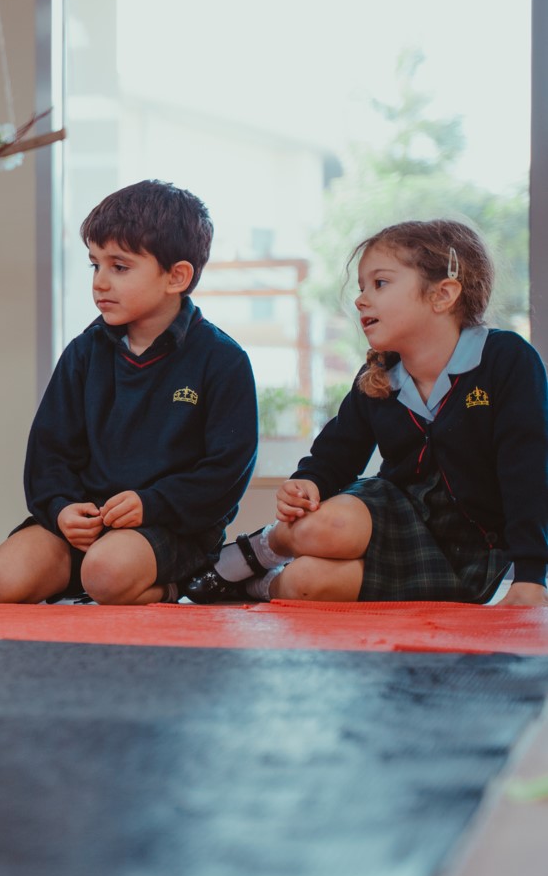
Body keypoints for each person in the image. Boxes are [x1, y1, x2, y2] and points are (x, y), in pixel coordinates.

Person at [182, 220, 548, 607]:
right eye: (361, 287)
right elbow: (336, 455)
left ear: (443, 295)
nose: (360, 299)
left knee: (305, 584)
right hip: (389, 514)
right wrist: (309, 482)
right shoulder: (379, 375)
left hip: (470, 551)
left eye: (380, 283)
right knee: (326, 526)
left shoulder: (505, 360)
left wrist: (531, 576)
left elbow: (527, 472)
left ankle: (252, 587)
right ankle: (260, 549)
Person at [0, 180, 257, 606]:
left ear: (176, 276)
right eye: (95, 265)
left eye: (119, 267)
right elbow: (50, 452)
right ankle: (101, 581)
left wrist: (153, 504)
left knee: (106, 572)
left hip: (171, 528)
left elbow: (225, 473)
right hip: (88, 526)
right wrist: (61, 510)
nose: (100, 283)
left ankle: (178, 586)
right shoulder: (83, 354)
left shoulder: (222, 360)